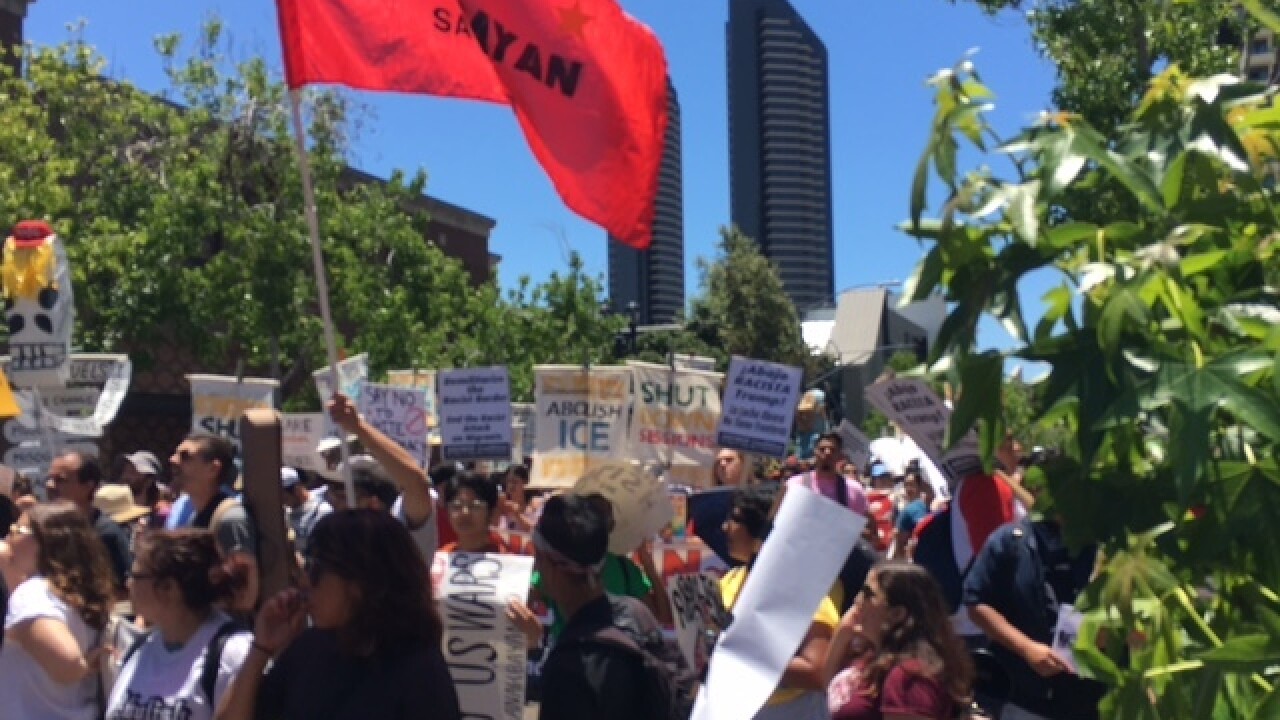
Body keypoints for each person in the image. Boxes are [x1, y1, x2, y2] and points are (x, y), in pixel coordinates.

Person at [215, 509, 461, 720]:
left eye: (314, 568)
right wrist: (260, 649)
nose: (303, 580)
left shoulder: (418, 672)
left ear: (360, 581)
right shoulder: (309, 649)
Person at [534, 493, 686, 720]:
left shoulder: (567, 667)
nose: (536, 567)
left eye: (538, 558)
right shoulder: (638, 614)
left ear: (553, 565)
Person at [963, 515, 1102, 720]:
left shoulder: (1104, 545)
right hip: (1025, 694)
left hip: (1092, 692)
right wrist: (1026, 648)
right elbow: (976, 602)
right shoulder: (1010, 540)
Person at [105, 530, 253, 720]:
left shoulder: (232, 654)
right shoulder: (139, 650)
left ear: (169, 588)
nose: (128, 584)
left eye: (135, 576)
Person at [720, 484, 837, 719]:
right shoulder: (731, 579)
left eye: (735, 520)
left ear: (760, 531)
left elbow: (818, 671)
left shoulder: (802, 588)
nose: (725, 528)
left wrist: (740, 653)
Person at [0, 502, 115, 720]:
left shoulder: (32, 594)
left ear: (45, 543)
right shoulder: (68, 592)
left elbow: (67, 663)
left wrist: (84, 667)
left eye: (17, 530)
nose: (8, 536)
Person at [824, 563, 974, 720]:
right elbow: (830, 689)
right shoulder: (872, 657)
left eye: (869, 594)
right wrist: (844, 631)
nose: (857, 600)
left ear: (897, 614)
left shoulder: (910, 676)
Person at [325, 393, 439, 562]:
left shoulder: (403, 524)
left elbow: (416, 482)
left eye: (345, 497)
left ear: (374, 502)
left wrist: (358, 427)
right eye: (336, 497)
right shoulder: (339, 540)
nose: (338, 505)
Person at [170, 435, 259, 615]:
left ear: (213, 468)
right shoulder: (196, 516)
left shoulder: (229, 519)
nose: (173, 460)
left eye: (186, 456)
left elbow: (245, 596)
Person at [47, 451, 132, 591]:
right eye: (50, 478)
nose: (50, 485)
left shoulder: (106, 534)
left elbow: (124, 588)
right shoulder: (47, 531)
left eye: (60, 480)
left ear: (88, 486)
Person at [787, 433, 870, 518]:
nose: (827, 453)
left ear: (840, 455)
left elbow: (867, 527)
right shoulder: (794, 484)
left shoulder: (854, 490)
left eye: (833, 450)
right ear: (815, 452)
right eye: (822, 449)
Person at [440, 472, 512, 553]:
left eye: (474, 506)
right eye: (457, 506)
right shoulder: (441, 558)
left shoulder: (506, 560)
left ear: (491, 512)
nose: (465, 512)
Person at [281, 467, 330, 556]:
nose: (282, 501)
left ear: (297, 489)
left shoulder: (320, 511)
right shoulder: (286, 512)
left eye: (284, 497)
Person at [891, 469, 931, 559]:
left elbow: (923, 526)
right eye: (906, 484)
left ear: (920, 486)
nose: (908, 488)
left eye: (912, 484)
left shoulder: (917, 507)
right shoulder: (906, 507)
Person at [494, 463, 536, 531]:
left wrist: (517, 515)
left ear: (525, 482)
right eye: (508, 481)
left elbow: (536, 532)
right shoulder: (502, 504)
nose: (511, 486)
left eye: (515, 482)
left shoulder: (534, 505)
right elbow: (493, 529)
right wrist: (498, 509)